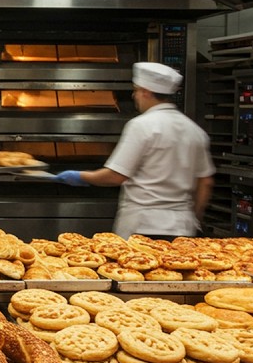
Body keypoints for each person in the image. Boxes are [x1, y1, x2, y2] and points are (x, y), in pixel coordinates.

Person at [51, 62, 214, 239]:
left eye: (136, 90)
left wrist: (80, 176)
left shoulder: (141, 125)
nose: (133, 95)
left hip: (143, 228)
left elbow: (116, 176)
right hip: (182, 229)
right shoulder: (195, 131)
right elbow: (205, 182)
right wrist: (193, 217)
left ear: (147, 92)